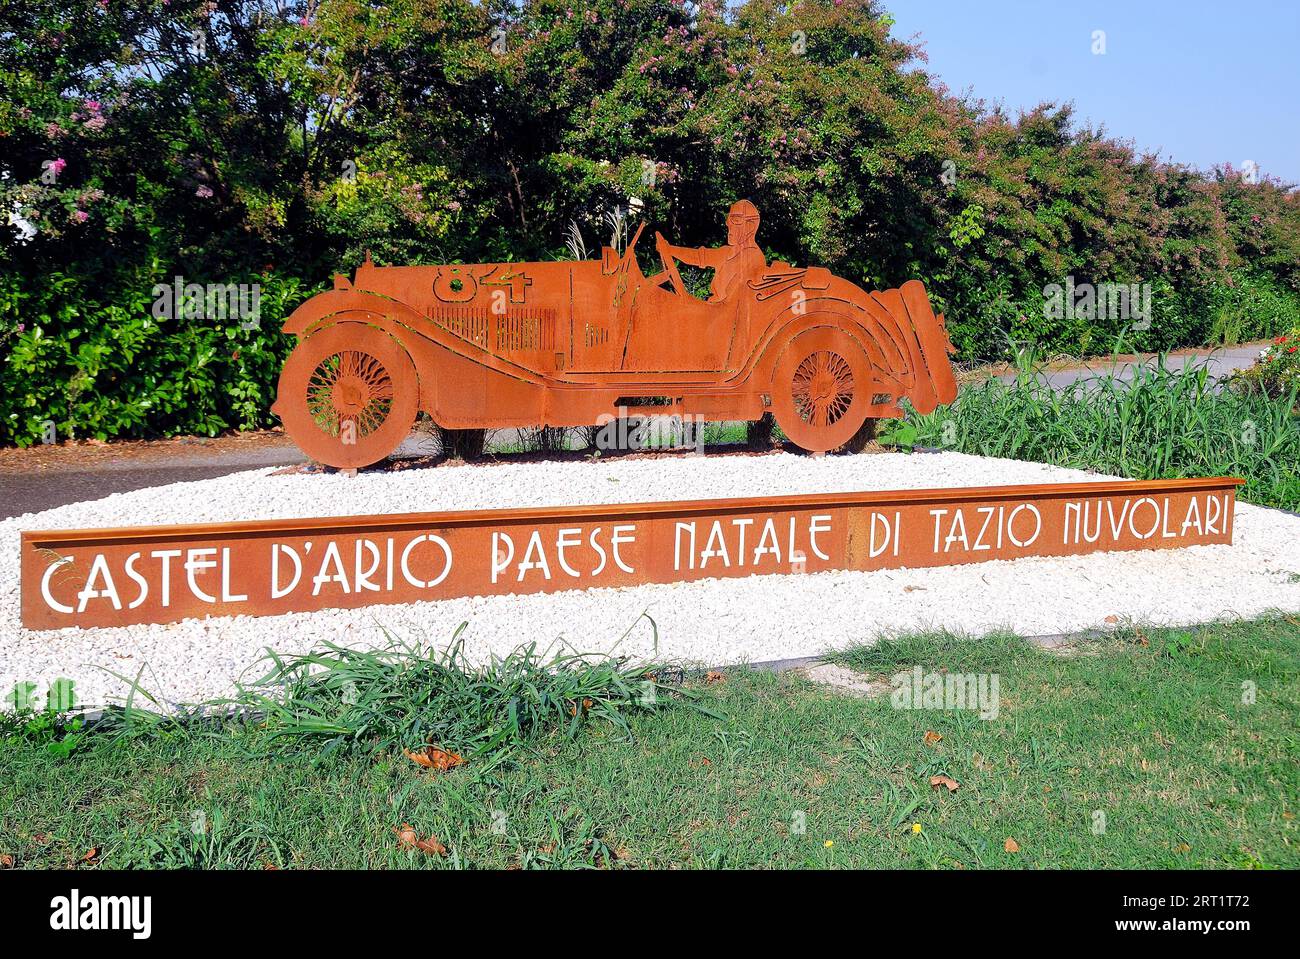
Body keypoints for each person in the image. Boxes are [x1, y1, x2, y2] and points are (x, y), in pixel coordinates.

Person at [655, 200, 767, 303]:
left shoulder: (755, 258)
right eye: (729, 223)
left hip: (725, 318)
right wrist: (669, 249)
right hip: (713, 311)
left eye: (736, 221)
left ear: (750, 226)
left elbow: (740, 302)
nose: (729, 228)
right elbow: (698, 256)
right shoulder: (726, 253)